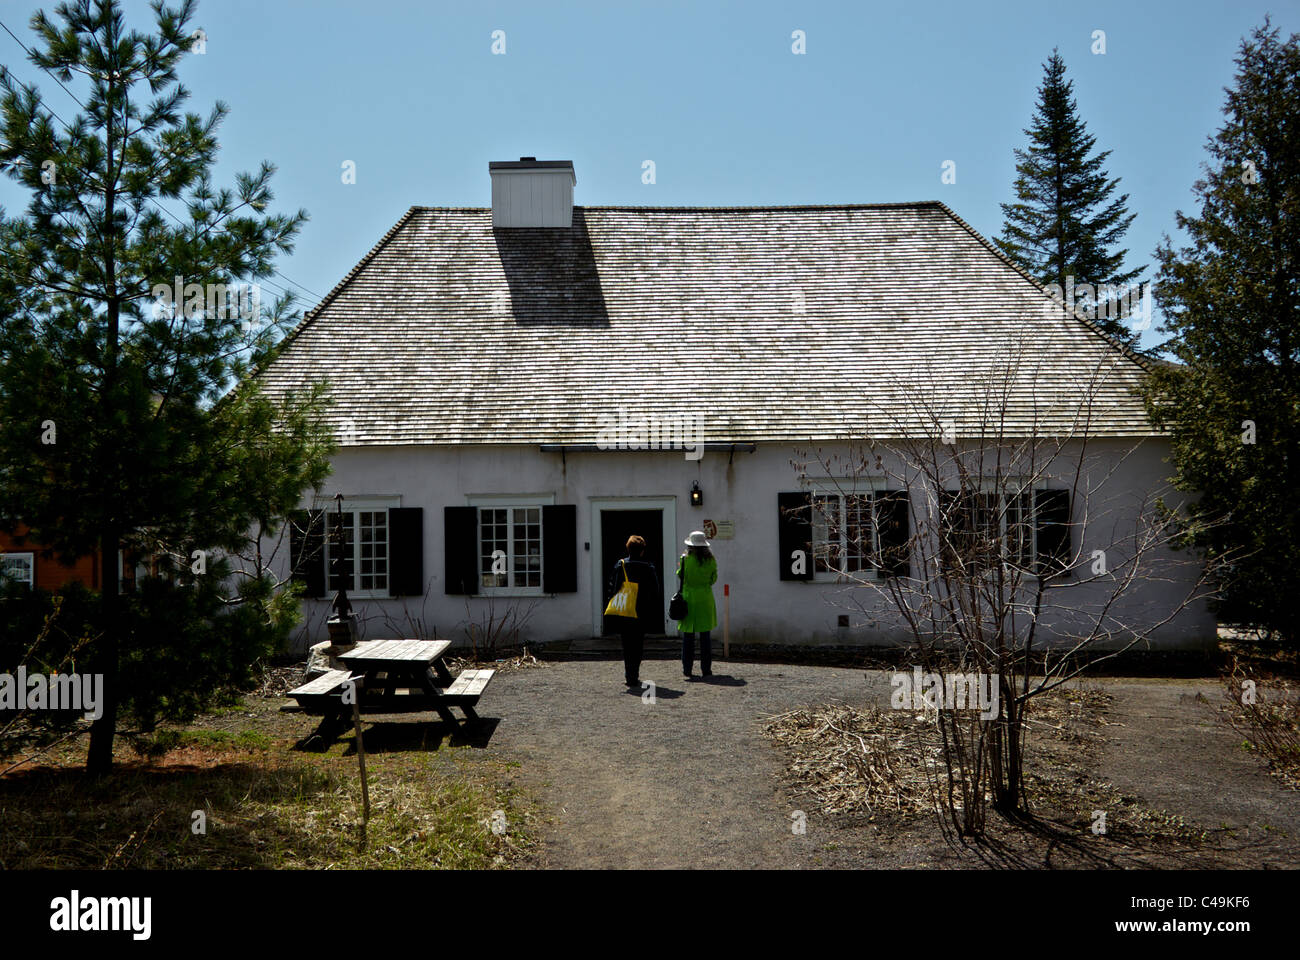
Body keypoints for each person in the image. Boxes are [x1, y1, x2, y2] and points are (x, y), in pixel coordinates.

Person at [608, 535, 660, 688]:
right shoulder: (649, 567)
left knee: (627, 644)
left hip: (625, 609)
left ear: (628, 548)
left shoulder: (621, 565)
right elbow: (655, 590)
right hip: (642, 610)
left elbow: (614, 587)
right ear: (642, 550)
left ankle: (629, 675)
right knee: (638, 644)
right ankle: (634, 674)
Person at [675, 530, 718, 678]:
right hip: (705, 600)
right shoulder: (711, 560)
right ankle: (706, 669)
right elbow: (713, 579)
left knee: (688, 637)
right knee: (705, 637)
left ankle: (687, 669)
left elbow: (680, 575)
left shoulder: (685, 559)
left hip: (688, 599)